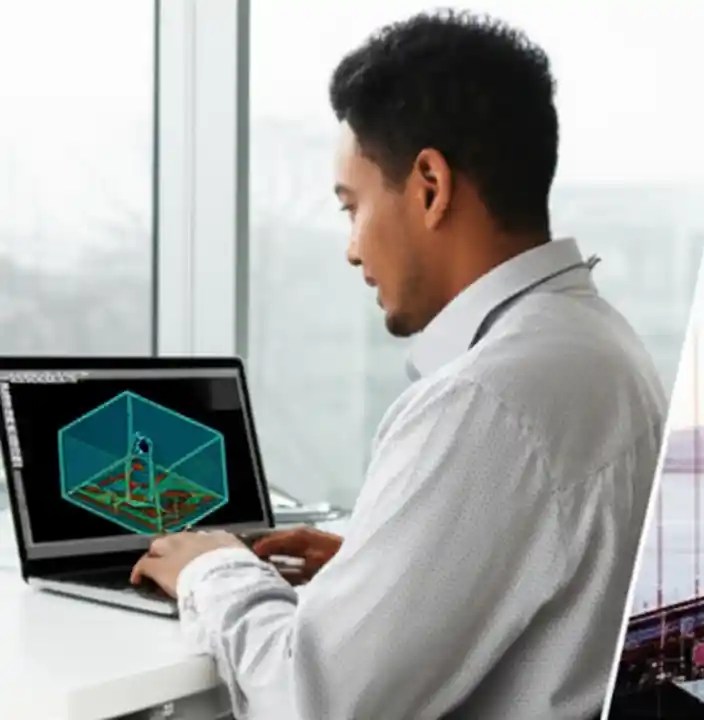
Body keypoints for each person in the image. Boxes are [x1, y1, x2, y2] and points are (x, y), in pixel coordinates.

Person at [129, 10, 666, 719]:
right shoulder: (602, 345)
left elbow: (314, 702)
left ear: (430, 186)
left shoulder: (487, 399)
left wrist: (212, 569)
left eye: (352, 207)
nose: (352, 248)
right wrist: (381, 563)